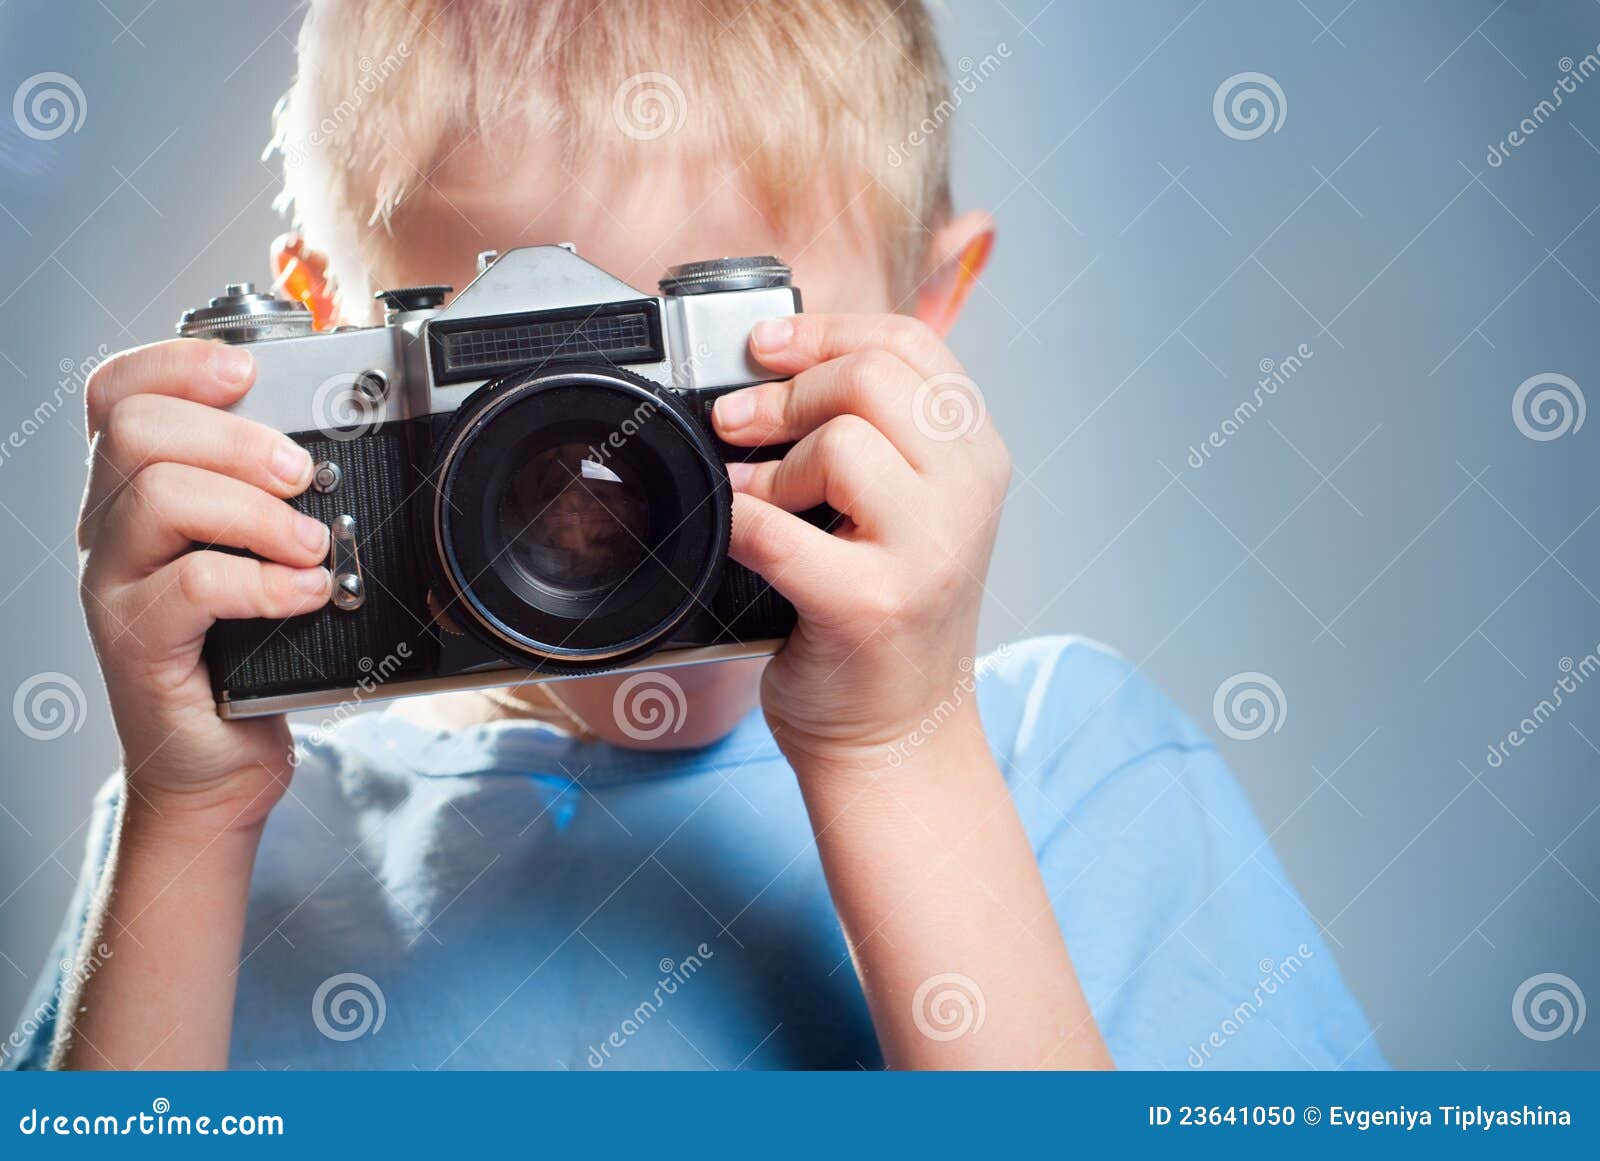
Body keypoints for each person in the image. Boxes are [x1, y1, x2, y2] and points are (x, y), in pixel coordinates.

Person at [7, 0, 1382, 1070]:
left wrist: (895, 748)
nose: (608, 481)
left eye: (700, 364)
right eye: (521, 384)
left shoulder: (1067, 770)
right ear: (332, 356)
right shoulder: (223, 835)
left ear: (923, 313)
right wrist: (190, 818)